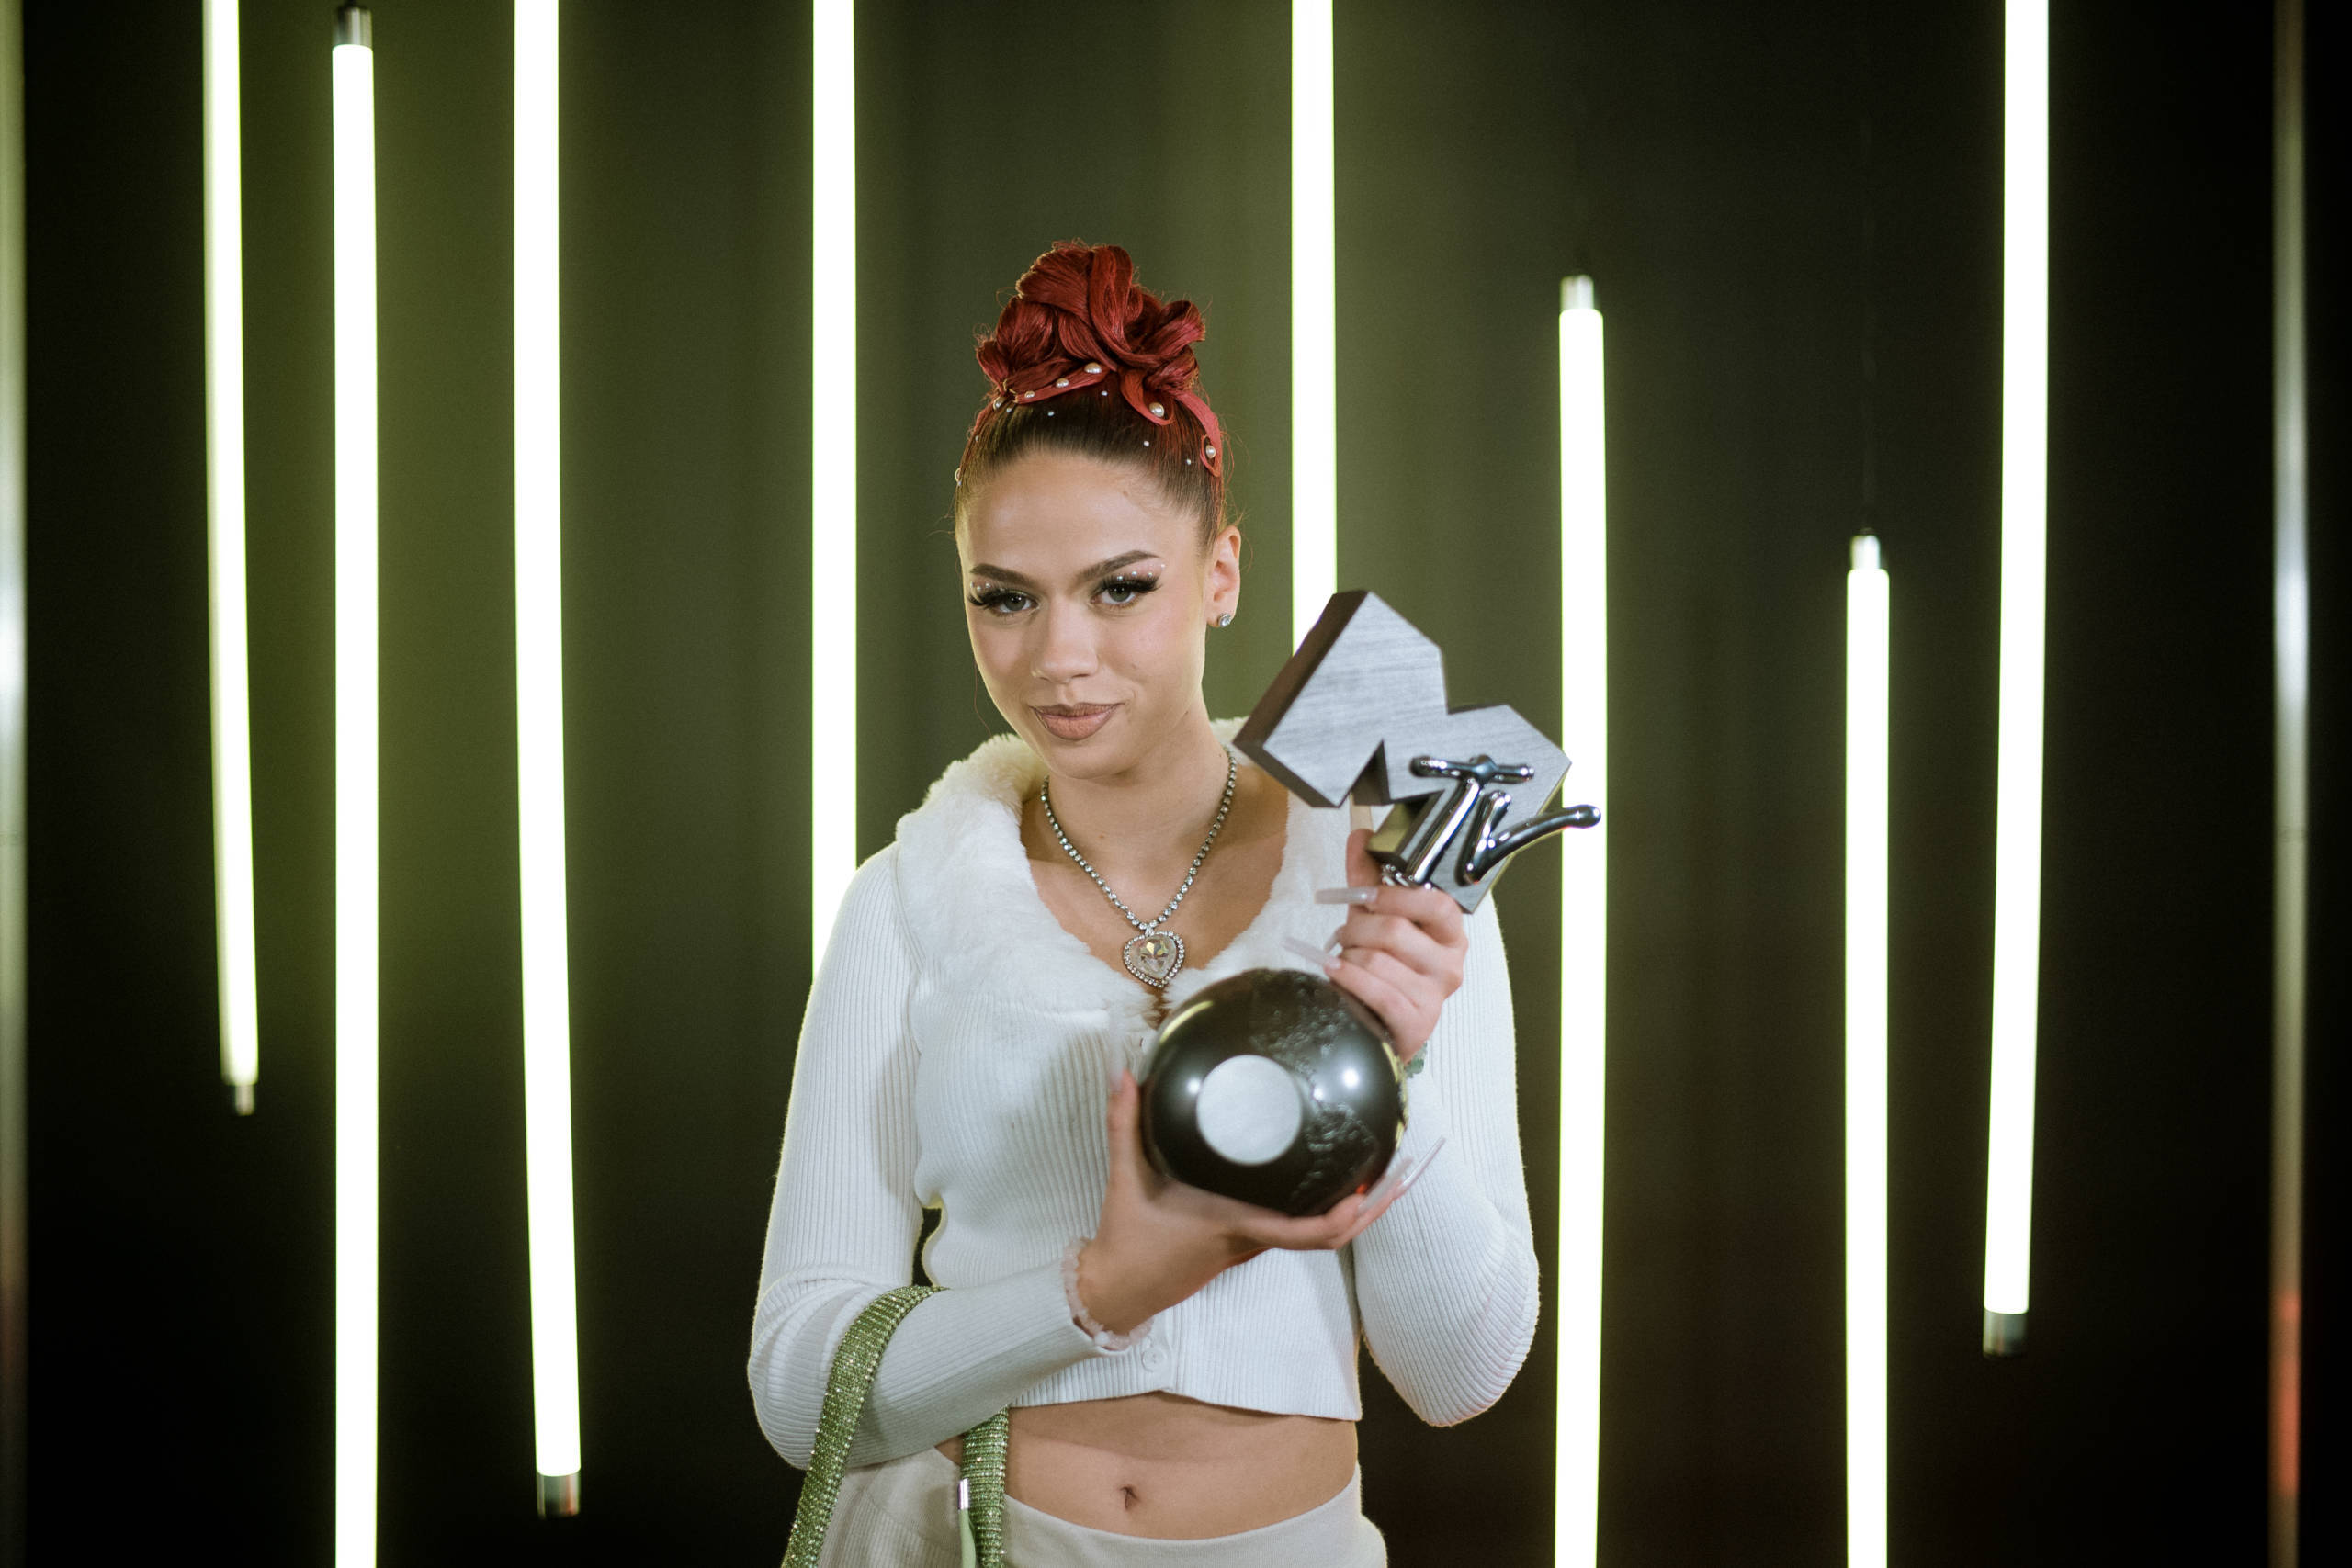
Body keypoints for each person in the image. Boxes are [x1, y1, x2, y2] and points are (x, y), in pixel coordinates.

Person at [749, 241, 1539, 1565]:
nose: (1060, 659)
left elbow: (1462, 1370)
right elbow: (797, 1389)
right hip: (971, 1542)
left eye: (1122, 588)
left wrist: (1385, 1074)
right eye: (1005, 599)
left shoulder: (1384, 878)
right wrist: (1101, 1291)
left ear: (1220, 574)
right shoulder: (906, 901)